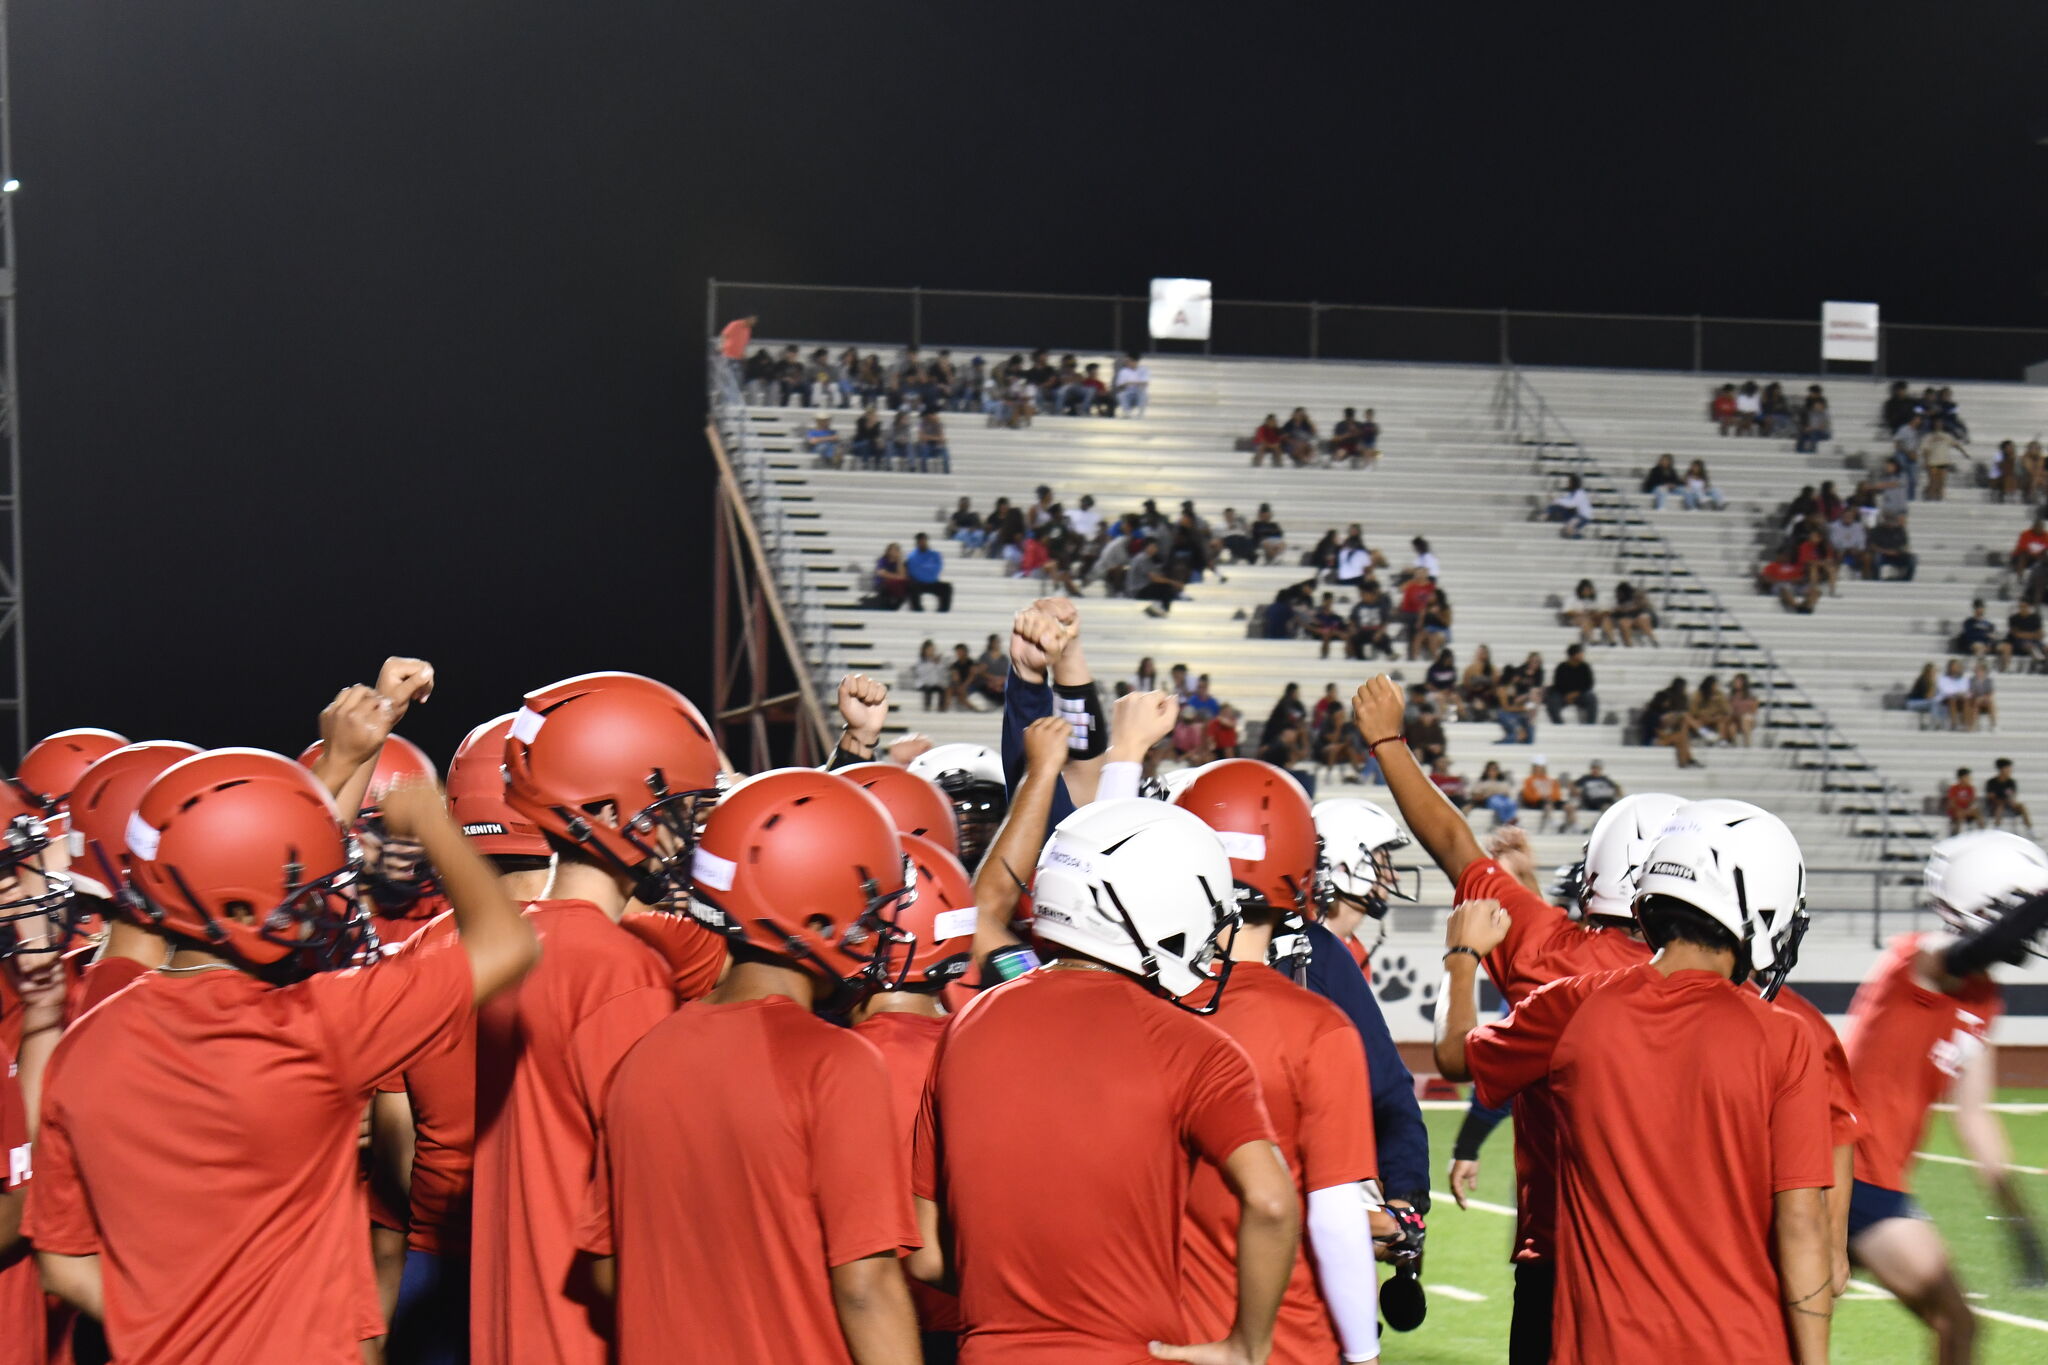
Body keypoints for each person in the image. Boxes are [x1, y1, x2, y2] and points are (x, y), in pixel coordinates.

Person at [28, 678, 542, 1364]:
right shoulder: (315, 1024)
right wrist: (435, 825)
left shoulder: (84, 1042)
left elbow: (61, 1263)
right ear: (240, 910)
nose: (321, 912)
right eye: (302, 894)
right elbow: (508, 944)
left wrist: (173, 1324)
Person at [910, 795, 1300, 1364]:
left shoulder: (968, 1022)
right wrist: (1248, 1345)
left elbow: (925, 1255)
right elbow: (1270, 1202)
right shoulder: (1193, 1047)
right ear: (1164, 904)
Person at [1442, 802, 1831, 1365]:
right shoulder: (1789, 1040)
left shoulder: (1574, 1007)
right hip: (1744, 1345)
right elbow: (1803, 1226)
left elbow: (1455, 1056)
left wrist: (1461, 960)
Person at [580, 770, 921, 1364]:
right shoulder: (835, 1062)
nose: (879, 932)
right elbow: (867, 1291)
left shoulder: (642, 1056)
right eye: (871, 912)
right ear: (815, 914)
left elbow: (607, 1272)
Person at [472, 672, 723, 1365]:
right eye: (677, 806)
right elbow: (645, 1188)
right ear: (614, 808)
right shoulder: (619, 966)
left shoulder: (511, 942)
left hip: (508, 1322)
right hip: (588, 1331)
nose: (687, 830)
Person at [1166, 767, 1392, 1365]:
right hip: (1286, 1341)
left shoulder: (1133, 1012)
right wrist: (1364, 1353)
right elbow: (1338, 1215)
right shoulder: (1318, 1027)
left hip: (1155, 1335)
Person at [1843, 832, 2048, 1360]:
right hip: (1834, 1171)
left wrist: (2019, 1220)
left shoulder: (1983, 995)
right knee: (1780, 1323)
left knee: (1958, 1325)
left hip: (1877, 1182)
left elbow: (1975, 1116)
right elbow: (1980, 946)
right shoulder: (1920, 960)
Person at [1544, 644, 1597, 725]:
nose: (1582, 655)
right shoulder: (1561, 667)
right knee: (1552, 700)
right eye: (1580, 653)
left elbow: (1589, 684)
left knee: (1591, 698)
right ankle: (1558, 723)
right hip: (1563, 695)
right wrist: (1566, 694)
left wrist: (1576, 694)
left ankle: (1591, 723)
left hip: (1580, 695)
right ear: (1574, 655)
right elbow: (1558, 683)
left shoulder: (1585, 667)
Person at [1954, 598, 2009, 670]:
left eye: (1981, 607)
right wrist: (1984, 635)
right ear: (1974, 609)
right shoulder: (1968, 622)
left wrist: (1989, 642)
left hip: (1987, 645)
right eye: (1978, 608)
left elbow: (1993, 636)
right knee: (1979, 646)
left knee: (2005, 647)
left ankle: (2004, 669)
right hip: (1973, 645)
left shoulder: (1989, 624)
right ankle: (1983, 668)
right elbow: (1969, 636)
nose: (1980, 610)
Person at [1519, 758, 1572, 832]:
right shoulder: (1529, 780)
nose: (1539, 769)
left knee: (1569, 806)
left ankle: (1571, 825)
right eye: (1538, 767)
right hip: (1536, 802)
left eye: (1541, 767)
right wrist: (1541, 797)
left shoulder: (1551, 780)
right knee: (1547, 805)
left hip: (1551, 800)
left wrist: (1550, 797)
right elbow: (1528, 795)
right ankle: (1554, 823)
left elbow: (1557, 794)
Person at [905, 532, 953, 613]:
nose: (922, 543)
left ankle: (943, 611)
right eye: (920, 541)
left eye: (924, 541)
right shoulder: (912, 556)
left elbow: (937, 569)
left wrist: (923, 568)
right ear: (917, 543)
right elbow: (914, 571)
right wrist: (927, 568)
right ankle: (918, 610)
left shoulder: (935, 555)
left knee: (947, 587)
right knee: (911, 587)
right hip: (918, 582)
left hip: (932, 582)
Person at [1985, 758, 2035, 833]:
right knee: (2000, 806)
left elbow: (2012, 794)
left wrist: (2011, 800)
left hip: (2008, 803)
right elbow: (1991, 796)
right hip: (1995, 804)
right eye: (2007, 768)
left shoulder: (2011, 782)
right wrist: (2001, 800)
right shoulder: (1992, 782)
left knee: (2022, 806)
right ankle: (1997, 828)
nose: (2010, 770)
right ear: (2001, 769)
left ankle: (2030, 829)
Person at [1565, 578, 1612, 645]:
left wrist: (1597, 614)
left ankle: (1612, 641)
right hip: (1579, 619)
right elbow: (1567, 612)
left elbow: (1607, 611)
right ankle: (1591, 640)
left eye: (1588, 589)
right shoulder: (1573, 598)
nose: (1587, 591)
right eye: (1585, 590)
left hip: (1595, 619)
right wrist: (1581, 614)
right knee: (1585, 620)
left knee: (1606, 619)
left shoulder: (1598, 597)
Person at [1611, 580, 1657, 647]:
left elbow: (1642, 606)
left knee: (1643, 619)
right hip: (1634, 620)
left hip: (1647, 620)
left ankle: (1653, 640)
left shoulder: (1642, 603)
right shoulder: (1624, 604)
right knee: (1623, 622)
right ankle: (1629, 644)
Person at [1934, 659, 1973, 732]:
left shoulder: (1964, 679)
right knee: (1952, 699)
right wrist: (1957, 693)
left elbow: (1966, 690)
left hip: (1960, 699)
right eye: (1954, 666)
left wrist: (1960, 694)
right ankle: (1954, 724)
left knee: (1966, 701)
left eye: (1957, 667)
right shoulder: (1942, 678)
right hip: (1945, 699)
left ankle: (1965, 725)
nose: (1956, 668)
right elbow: (1945, 690)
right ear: (1950, 668)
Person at [2008, 596, 2045, 667]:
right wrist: (2033, 635)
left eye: (2024, 606)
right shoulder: (2014, 618)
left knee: (2046, 648)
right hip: (2019, 643)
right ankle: (2039, 661)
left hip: (2035, 642)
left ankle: (2044, 667)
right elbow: (2016, 634)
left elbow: (2040, 635)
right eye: (2020, 607)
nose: (2022, 609)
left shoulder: (2035, 617)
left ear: (2029, 606)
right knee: (2030, 646)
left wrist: (2025, 634)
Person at [1946, 766, 1982, 834]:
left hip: (1967, 809)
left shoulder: (1970, 788)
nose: (1969, 779)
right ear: (1961, 778)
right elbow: (1952, 803)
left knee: (1977, 812)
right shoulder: (1954, 788)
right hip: (1956, 810)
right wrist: (1960, 810)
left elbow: (1972, 801)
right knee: (1959, 814)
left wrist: (1968, 809)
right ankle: (1956, 834)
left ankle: (1982, 832)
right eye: (1967, 777)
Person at [1113, 351, 1150, 416]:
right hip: (1128, 392)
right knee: (1121, 395)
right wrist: (1135, 383)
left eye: (1129, 361)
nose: (1127, 363)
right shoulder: (1123, 371)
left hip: (1138, 392)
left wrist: (1129, 383)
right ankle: (1127, 412)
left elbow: (1145, 383)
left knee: (1143, 394)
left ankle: (1141, 413)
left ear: (1134, 361)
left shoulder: (1143, 370)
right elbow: (1119, 385)